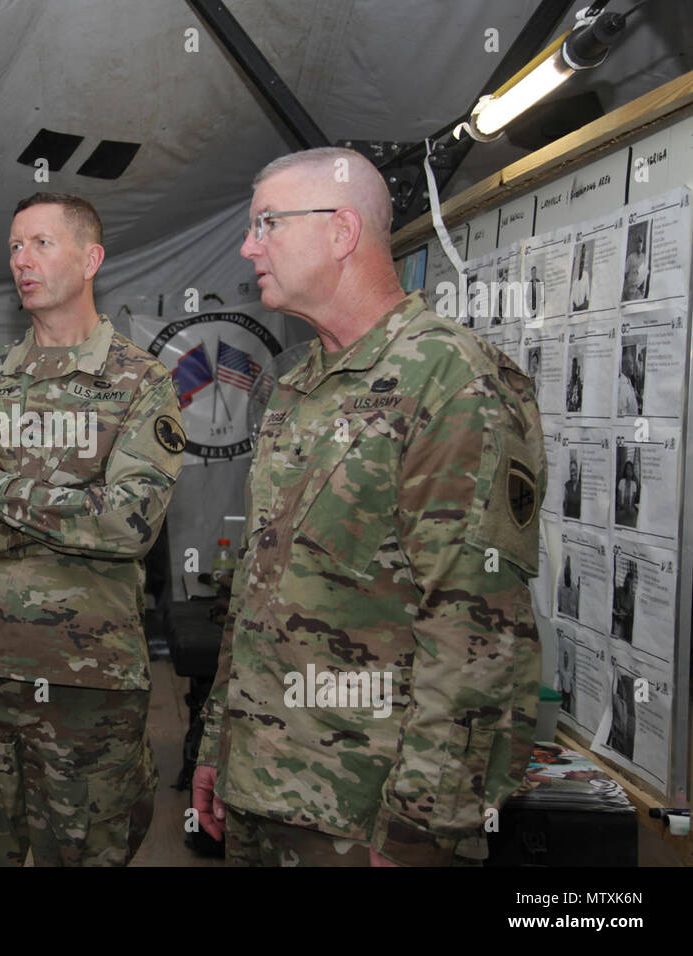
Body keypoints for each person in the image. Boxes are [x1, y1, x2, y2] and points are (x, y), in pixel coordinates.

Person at [191, 147, 545, 867]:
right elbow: (257, 589)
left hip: (366, 811)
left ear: (341, 231)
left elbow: (475, 626)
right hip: (265, 784)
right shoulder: (297, 385)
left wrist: (423, 828)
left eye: (267, 224)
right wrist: (217, 743)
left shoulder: (452, 380)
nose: (247, 246)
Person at [0, 192, 184, 866]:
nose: (21, 260)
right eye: (14, 248)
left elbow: (127, 525)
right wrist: (70, 506)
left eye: (41, 244)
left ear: (91, 259)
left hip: (87, 682)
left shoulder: (142, 383)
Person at [611, 563, 636, 644]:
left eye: (629, 583)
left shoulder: (633, 597)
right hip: (617, 621)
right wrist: (618, 608)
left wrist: (627, 613)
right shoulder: (619, 590)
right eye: (626, 581)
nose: (627, 584)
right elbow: (616, 602)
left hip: (626, 623)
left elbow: (632, 613)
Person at [623, 233, 649, 301]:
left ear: (643, 244)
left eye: (640, 242)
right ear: (635, 244)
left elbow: (646, 273)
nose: (639, 244)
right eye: (637, 242)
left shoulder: (645, 257)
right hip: (630, 290)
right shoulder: (630, 257)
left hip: (640, 290)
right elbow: (625, 273)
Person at [616, 458, 640, 527]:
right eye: (627, 469)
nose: (629, 471)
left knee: (634, 518)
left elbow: (632, 501)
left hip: (630, 509)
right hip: (621, 508)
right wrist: (624, 508)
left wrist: (629, 509)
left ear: (632, 471)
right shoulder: (621, 481)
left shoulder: (634, 484)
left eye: (630, 469)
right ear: (625, 471)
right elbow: (619, 500)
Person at [617, 352, 641, 417]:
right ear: (625, 365)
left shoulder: (628, 382)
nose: (633, 366)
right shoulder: (622, 386)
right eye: (631, 363)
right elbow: (621, 412)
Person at [570, 246, 591, 312]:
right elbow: (571, 303)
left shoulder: (586, 276)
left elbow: (588, 300)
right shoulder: (574, 281)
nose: (582, 264)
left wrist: (579, 308)